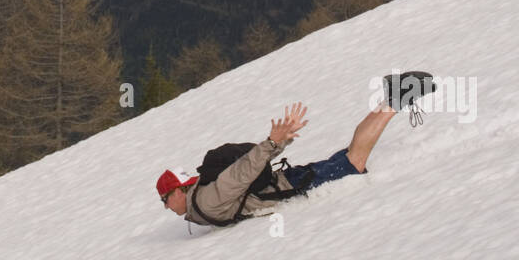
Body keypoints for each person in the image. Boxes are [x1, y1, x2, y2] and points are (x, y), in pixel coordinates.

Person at [156, 99, 399, 227]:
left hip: (290, 187)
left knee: (354, 161)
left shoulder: (206, 201)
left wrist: (273, 143)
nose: (166, 206)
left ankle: (395, 100)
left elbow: (242, 173)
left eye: (165, 199)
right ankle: (390, 99)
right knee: (349, 155)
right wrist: (277, 144)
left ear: (178, 191)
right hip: (288, 181)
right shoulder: (200, 196)